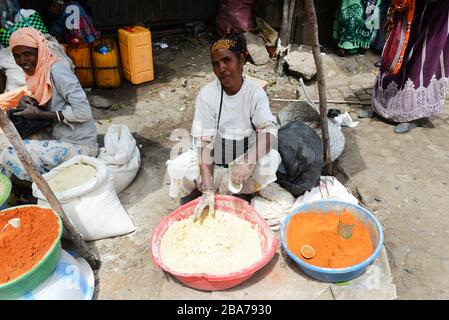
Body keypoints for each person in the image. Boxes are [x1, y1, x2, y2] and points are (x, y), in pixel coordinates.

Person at [166, 34, 281, 221]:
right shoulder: (207, 95)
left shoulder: (255, 94)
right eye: (216, 63)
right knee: (178, 167)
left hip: (241, 165)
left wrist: (248, 161)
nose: (222, 68)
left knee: (270, 161)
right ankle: (211, 191)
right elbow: (204, 144)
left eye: (227, 60)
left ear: (241, 60)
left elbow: (269, 132)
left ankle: (239, 190)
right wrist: (208, 190)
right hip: (214, 163)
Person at [0, 27, 98, 182]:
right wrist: (32, 102)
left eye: (27, 54)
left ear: (41, 50)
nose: (22, 61)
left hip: (81, 146)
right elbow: (52, 100)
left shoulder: (58, 71)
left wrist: (39, 114)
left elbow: (83, 112)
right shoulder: (40, 71)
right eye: (17, 56)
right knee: (16, 140)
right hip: (59, 135)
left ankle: (36, 191)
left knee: (11, 154)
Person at [361, 0, 449, 134]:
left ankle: (411, 114)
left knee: (421, 58)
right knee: (395, 51)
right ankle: (382, 107)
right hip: (410, 6)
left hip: (436, 11)